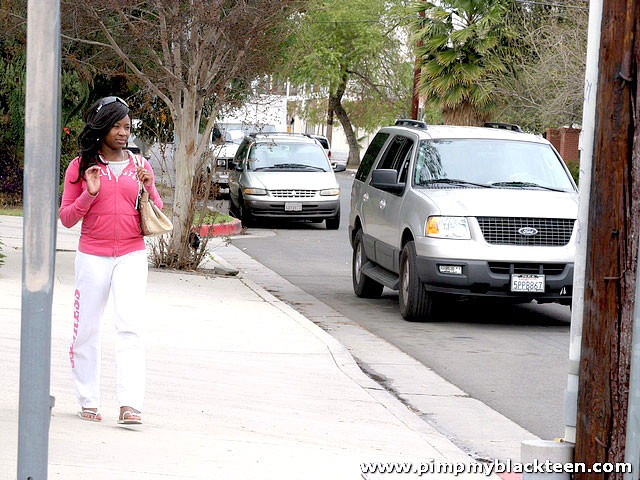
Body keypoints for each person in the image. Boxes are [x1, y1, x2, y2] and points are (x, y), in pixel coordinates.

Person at [59, 96, 163, 425]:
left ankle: (130, 404)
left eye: (127, 127)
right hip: (92, 255)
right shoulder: (80, 167)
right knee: (86, 330)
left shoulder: (139, 165)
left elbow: (156, 211)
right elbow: (66, 218)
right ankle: (88, 400)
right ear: (102, 127)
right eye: (116, 126)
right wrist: (89, 194)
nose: (122, 133)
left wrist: (150, 187)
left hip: (131, 254)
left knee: (130, 328)